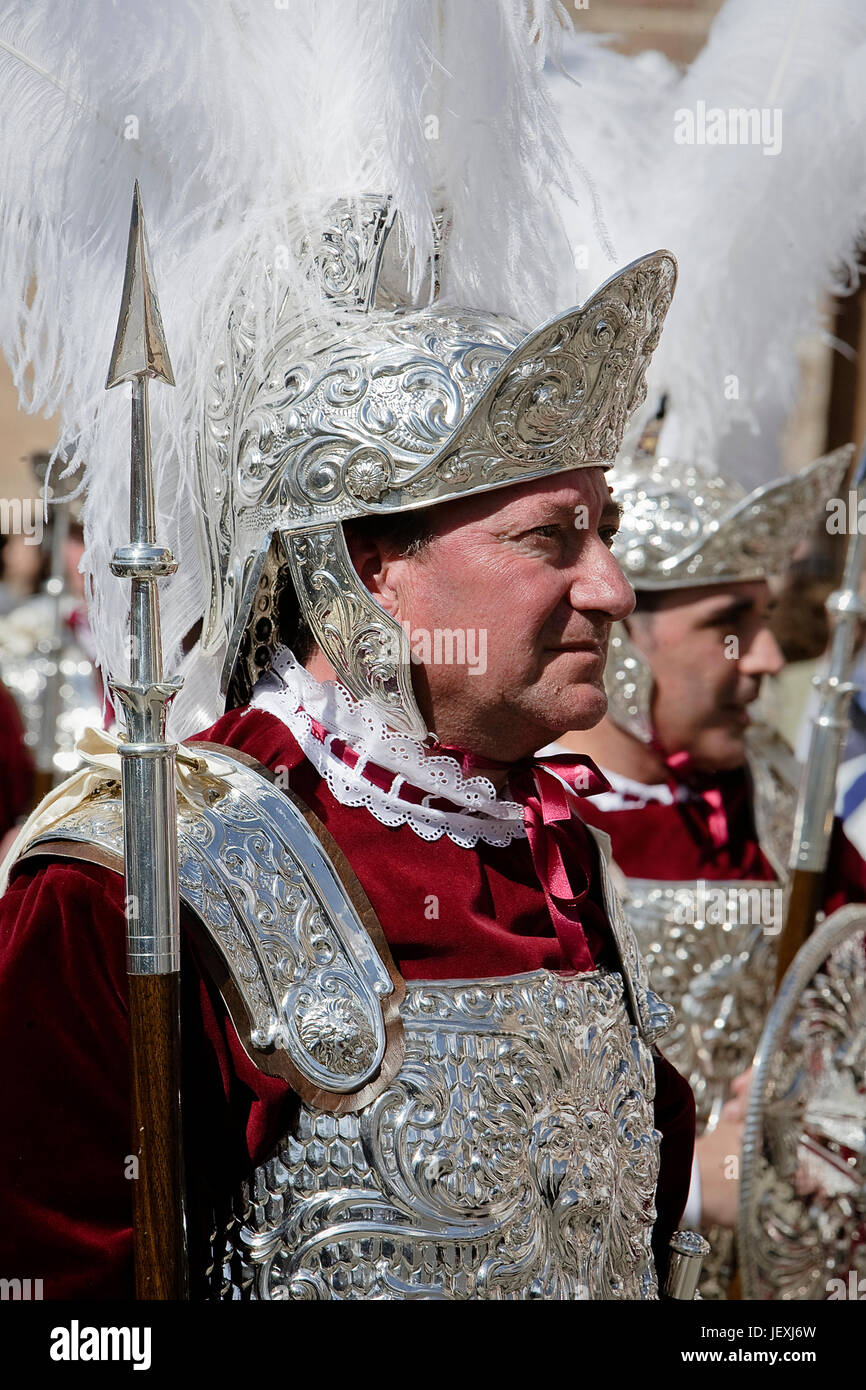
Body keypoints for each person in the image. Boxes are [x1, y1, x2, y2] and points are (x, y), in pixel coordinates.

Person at [0, 2, 695, 1302]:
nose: (610, 588)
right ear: (369, 568)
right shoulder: (140, 872)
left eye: (604, 533)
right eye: (552, 537)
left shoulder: (561, 847)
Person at [549, 421, 865, 1294]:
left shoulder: (777, 801)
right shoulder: (524, 824)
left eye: (764, 622)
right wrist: (691, 1182)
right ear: (624, 641)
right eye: (731, 625)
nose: (766, 659)